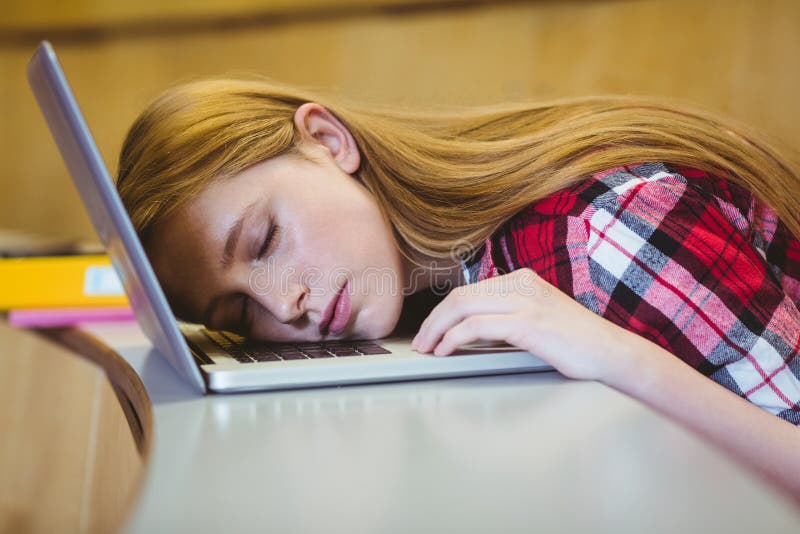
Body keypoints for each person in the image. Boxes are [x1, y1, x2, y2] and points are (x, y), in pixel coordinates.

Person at [115, 78, 800, 500]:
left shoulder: (607, 235)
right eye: (239, 310)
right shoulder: (430, 279)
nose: (282, 305)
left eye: (265, 240)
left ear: (327, 140)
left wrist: (619, 359)